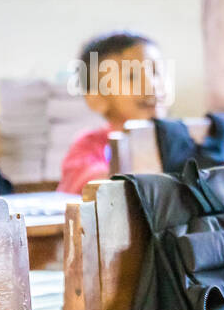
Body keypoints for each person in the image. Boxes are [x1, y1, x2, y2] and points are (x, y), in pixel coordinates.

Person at [58, 31, 166, 194]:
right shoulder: (90, 146)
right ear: (97, 100)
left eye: (156, 72)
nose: (151, 84)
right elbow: (92, 184)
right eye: (132, 76)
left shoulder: (180, 139)